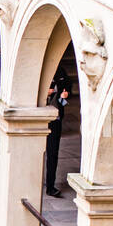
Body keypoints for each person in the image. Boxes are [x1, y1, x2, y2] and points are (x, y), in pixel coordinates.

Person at [45, 70, 70, 198]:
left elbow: (67, 87)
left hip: (56, 120)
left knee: (53, 153)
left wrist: (65, 95)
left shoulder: (61, 73)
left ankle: (50, 186)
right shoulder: (41, 71)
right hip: (40, 118)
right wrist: (45, 94)